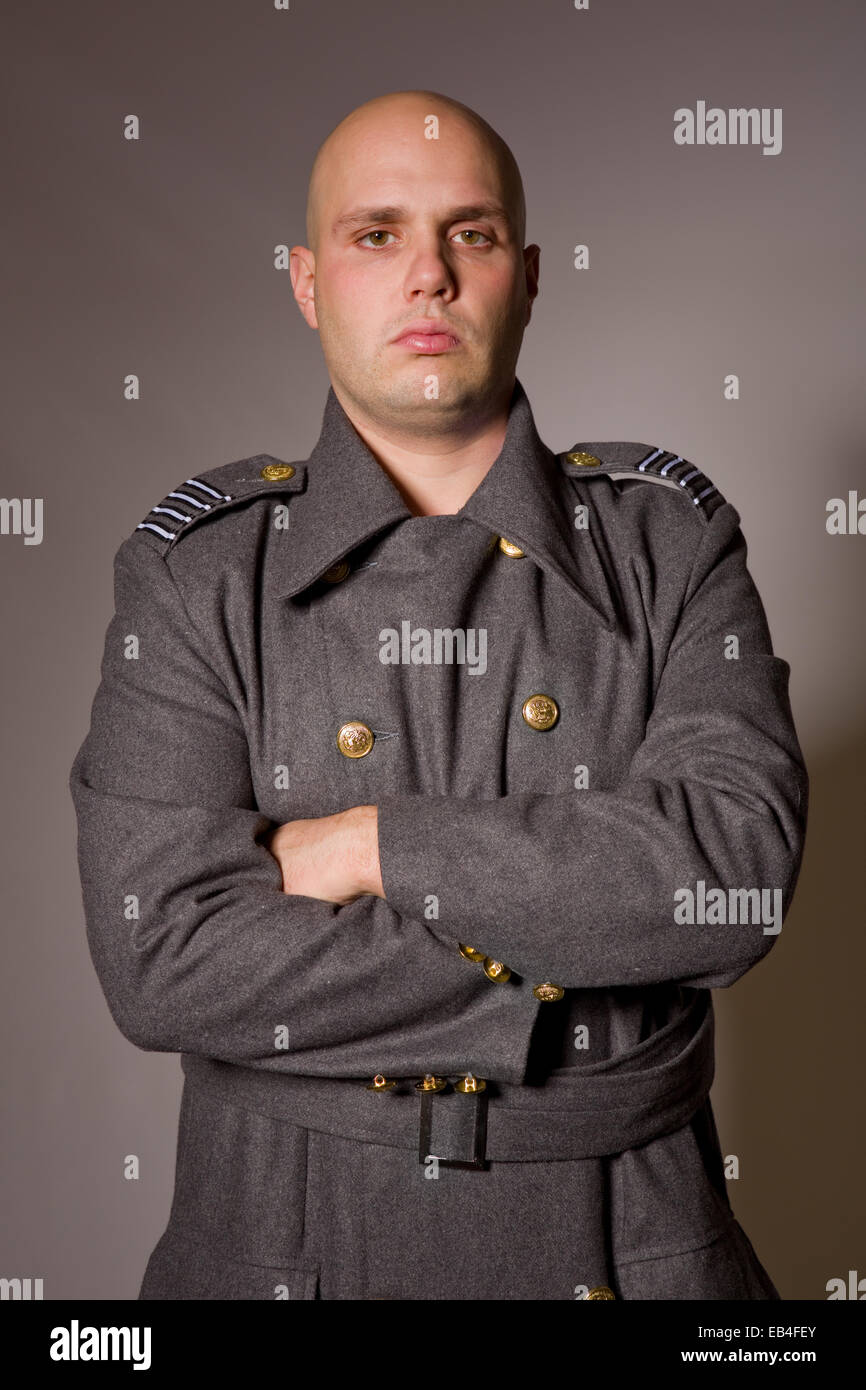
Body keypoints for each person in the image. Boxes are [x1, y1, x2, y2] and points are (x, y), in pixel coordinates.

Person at [69, 89, 808, 1300]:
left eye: (466, 234)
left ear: (521, 275)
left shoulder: (669, 542)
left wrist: (371, 844)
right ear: (308, 282)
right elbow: (160, 955)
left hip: (637, 1250)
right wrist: (580, 952)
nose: (427, 276)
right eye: (376, 235)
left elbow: (730, 878)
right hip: (278, 1253)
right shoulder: (196, 572)